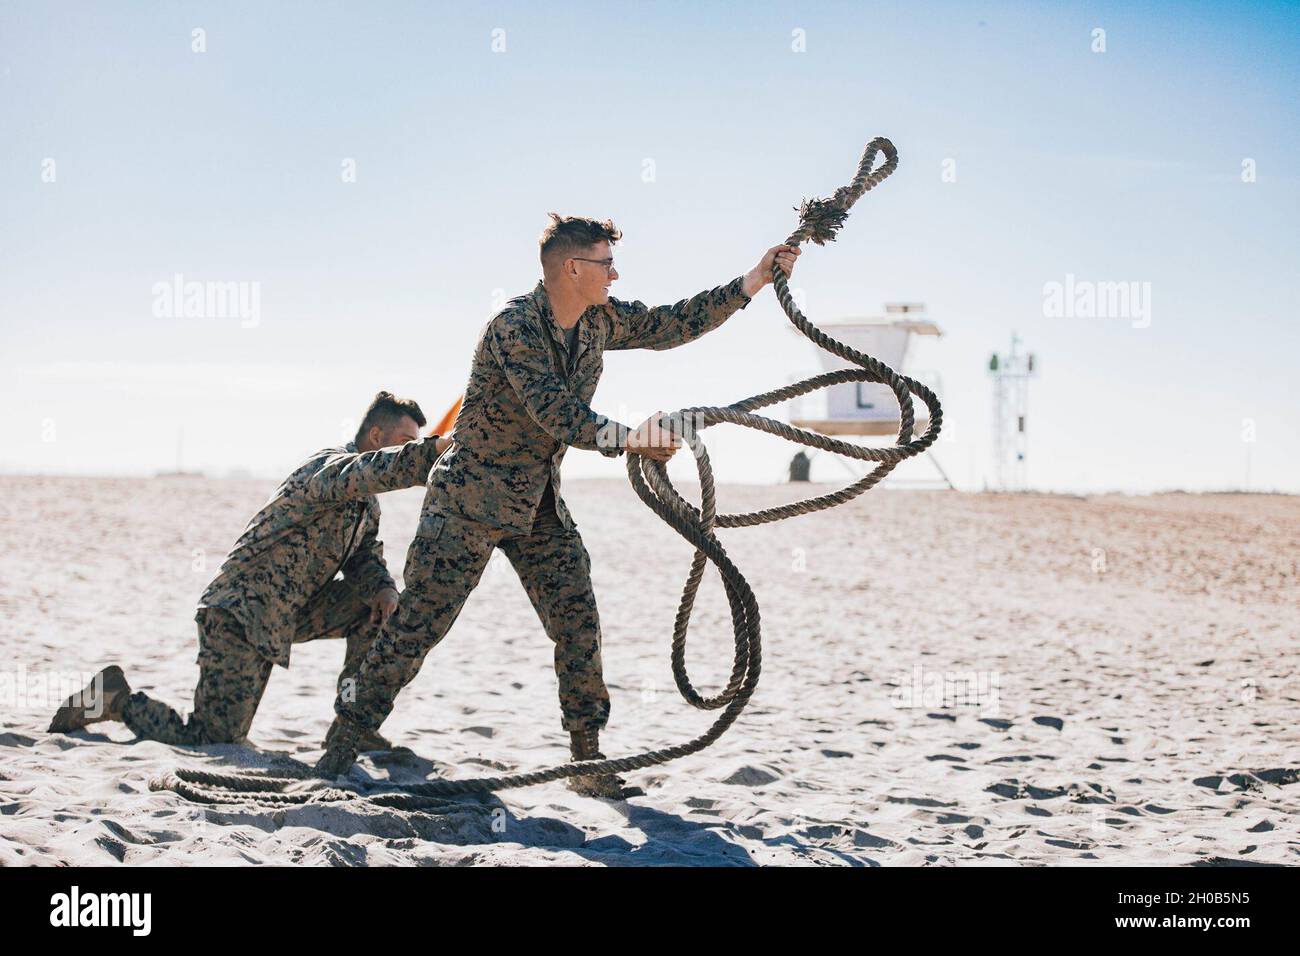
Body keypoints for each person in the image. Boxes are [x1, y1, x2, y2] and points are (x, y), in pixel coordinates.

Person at [318, 214, 799, 797]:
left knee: (577, 622)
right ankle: (342, 747)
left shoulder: (598, 319)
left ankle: (587, 762)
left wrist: (751, 282)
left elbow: (671, 324)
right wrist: (630, 437)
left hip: (536, 502)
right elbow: (556, 411)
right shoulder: (514, 327)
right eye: (605, 263)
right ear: (572, 268)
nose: (615, 274)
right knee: (418, 626)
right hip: (469, 500)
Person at [49, 391, 450, 750]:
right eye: (405, 443)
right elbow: (363, 474)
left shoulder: (366, 505)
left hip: (289, 612)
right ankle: (114, 699)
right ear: (377, 438)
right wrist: (429, 455)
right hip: (238, 613)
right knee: (215, 737)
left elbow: (363, 556)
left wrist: (383, 588)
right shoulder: (328, 469)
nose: (410, 451)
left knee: (376, 608)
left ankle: (352, 724)